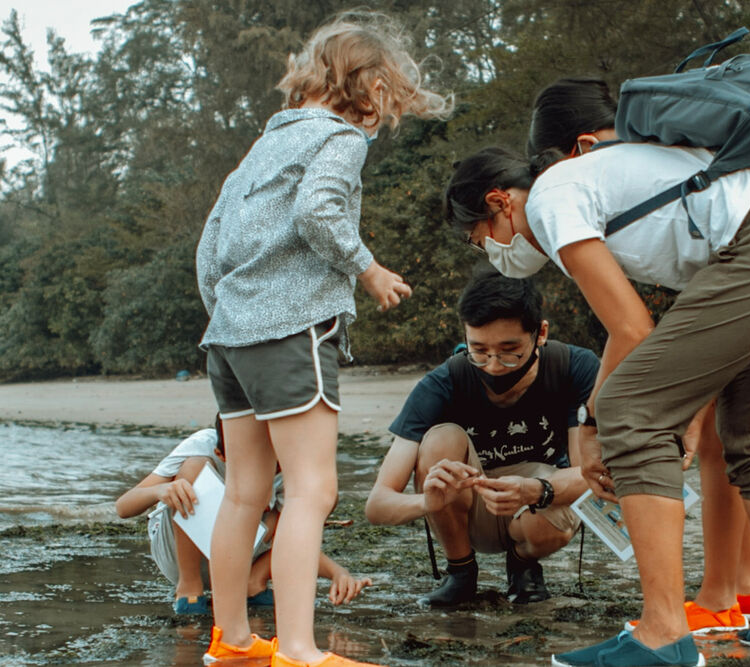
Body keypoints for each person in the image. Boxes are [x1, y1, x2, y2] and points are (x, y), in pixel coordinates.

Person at [445, 87, 750, 665]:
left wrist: (593, 422)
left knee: (628, 410)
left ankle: (662, 633)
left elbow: (632, 329)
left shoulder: (552, 195)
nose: (494, 252)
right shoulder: (624, 178)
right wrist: (692, 418)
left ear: (499, 202)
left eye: (483, 239)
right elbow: (702, 330)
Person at [195, 11, 451, 667]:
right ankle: (301, 649)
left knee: (247, 492)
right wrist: (367, 268)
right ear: (368, 88)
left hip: (228, 337)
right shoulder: (338, 137)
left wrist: (229, 316)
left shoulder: (263, 144)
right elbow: (318, 210)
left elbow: (210, 248)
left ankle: (234, 642)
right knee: (313, 489)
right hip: (290, 328)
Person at [530, 77, 750, 636]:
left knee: (710, 438)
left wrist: (593, 419)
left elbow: (633, 325)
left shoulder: (585, 180)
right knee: (728, 437)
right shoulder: (666, 154)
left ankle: (718, 596)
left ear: (580, 147)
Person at [365, 270, 598, 607]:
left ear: (540, 333)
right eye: (479, 350)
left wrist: (536, 490)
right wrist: (427, 503)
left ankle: (522, 565)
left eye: (509, 351)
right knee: (441, 439)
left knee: (547, 525)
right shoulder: (443, 383)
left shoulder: (574, 368)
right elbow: (377, 505)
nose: (493, 366)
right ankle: (460, 572)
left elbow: (590, 473)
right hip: (470, 507)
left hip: (540, 502)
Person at [115, 419, 373, 615]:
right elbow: (123, 507)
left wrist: (337, 572)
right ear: (222, 455)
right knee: (192, 468)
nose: (259, 467)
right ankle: (190, 585)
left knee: (312, 495)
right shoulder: (205, 445)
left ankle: (254, 581)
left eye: (268, 460)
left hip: (240, 560)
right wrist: (161, 490)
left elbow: (291, 539)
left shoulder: (285, 463)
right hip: (181, 553)